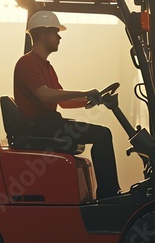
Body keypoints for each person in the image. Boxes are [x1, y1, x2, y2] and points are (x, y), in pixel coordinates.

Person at [13, 10, 120, 199]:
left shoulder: (46, 66)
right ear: (43, 33)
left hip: (48, 124)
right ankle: (109, 196)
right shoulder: (27, 63)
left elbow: (62, 101)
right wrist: (84, 92)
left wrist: (93, 100)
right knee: (102, 135)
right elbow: (45, 95)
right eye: (56, 32)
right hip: (40, 127)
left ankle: (108, 194)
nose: (59, 37)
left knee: (102, 133)